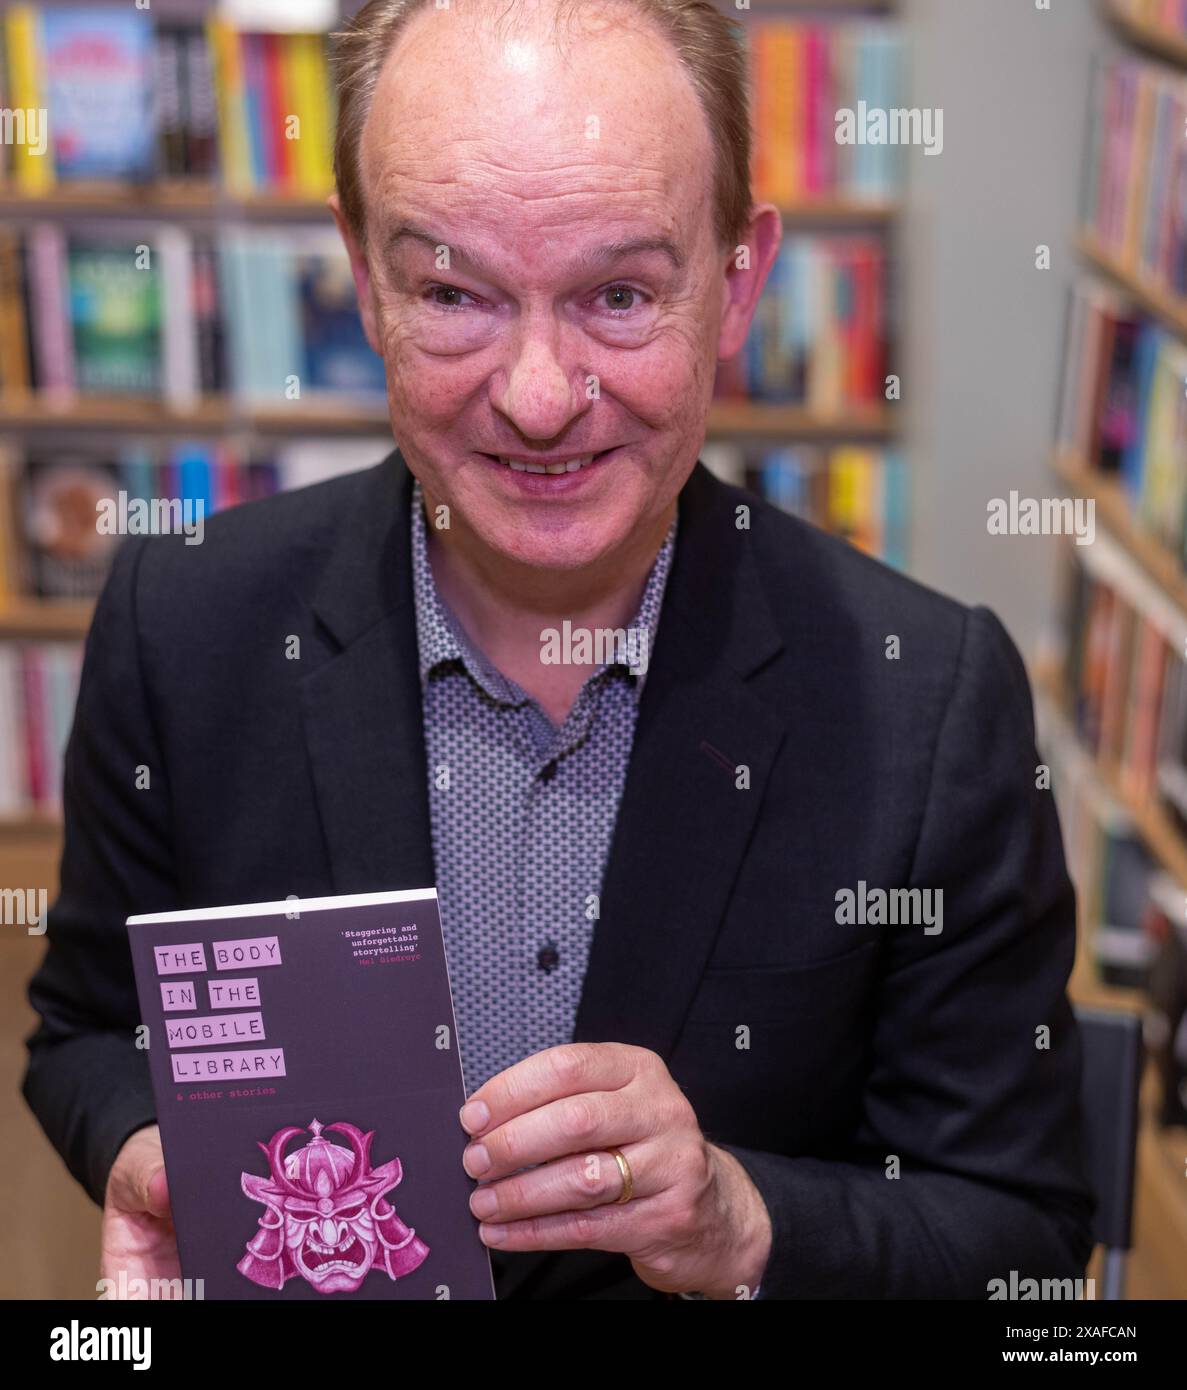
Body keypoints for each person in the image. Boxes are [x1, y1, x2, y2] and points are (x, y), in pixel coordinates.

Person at [23, 0, 1093, 1300]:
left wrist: (740, 1220)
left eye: (621, 295)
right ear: (363, 278)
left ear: (739, 281)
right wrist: (153, 1149)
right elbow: (88, 1028)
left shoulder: (926, 705)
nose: (538, 397)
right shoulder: (179, 630)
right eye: (456, 292)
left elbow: (1021, 1237)